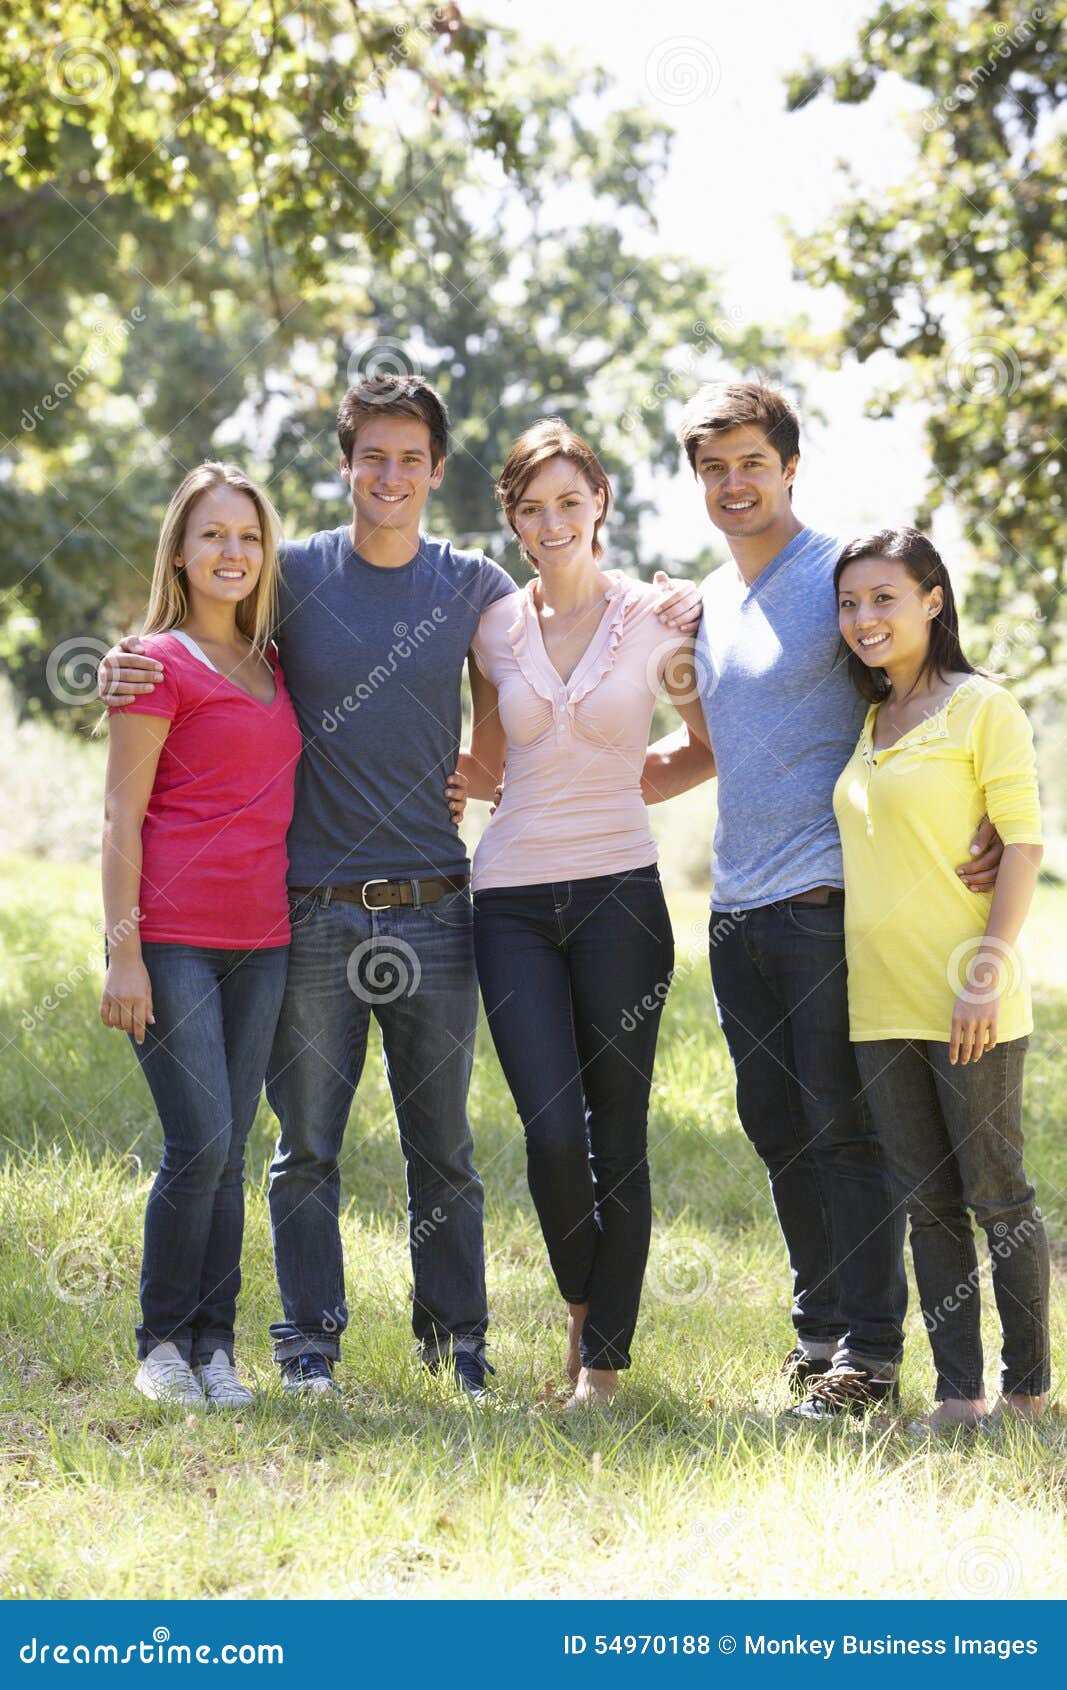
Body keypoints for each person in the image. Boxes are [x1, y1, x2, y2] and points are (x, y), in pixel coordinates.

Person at [99, 375, 701, 1400]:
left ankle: (457, 1346)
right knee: (306, 1148)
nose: (390, 475)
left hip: (436, 904)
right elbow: (206, 627)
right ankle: (306, 1350)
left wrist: (489, 757)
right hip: (307, 909)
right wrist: (128, 661)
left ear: (433, 470)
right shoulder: (286, 576)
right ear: (345, 466)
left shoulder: (469, 585)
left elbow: (558, 627)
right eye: (370, 456)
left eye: (410, 459)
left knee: (445, 1151)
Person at [642, 380, 1005, 1419]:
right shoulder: (709, 600)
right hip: (735, 908)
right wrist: (554, 784)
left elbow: (930, 691)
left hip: (823, 900)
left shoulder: (838, 577)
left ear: (788, 466)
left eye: (751, 461)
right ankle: (816, 1332)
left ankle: (869, 1354)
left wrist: (981, 811)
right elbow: (709, 750)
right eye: (713, 467)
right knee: (773, 1126)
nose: (733, 482)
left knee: (840, 1130)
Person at [456, 421, 711, 1406]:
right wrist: (441, 784)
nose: (552, 520)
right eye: (532, 506)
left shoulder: (657, 621)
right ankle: (580, 1303)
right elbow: (487, 761)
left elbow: (704, 743)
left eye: (570, 500)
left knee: (619, 1131)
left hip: (620, 897)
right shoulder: (491, 629)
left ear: (598, 503)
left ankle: (600, 1367)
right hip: (509, 897)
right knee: (552, 1133)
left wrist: (623, 786)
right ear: (513, 519)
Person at [833, 528, 1049, 1428]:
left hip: (970, 991)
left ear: (932, 599)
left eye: (884, 598)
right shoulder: (867, 719)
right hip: (878, 1000)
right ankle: (957, 1393)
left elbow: (1023, 842)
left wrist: (985, 974)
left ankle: (1028, 1390)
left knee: (996, 1194)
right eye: (849, 603)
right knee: (926, 1205)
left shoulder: (981, 707)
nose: (863, 619)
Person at [100, 462, 301, 1408]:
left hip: (264, 940)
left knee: (234, 1144)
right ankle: (160, 1345)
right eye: (214, 534)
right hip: (173, 937)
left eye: (250, 537)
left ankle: (215, 1346)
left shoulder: (276, 664)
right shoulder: (153, 662)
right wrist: (124, 952)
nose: (234, 552)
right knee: (202, 1140)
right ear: (180, 550)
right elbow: (119, 818)